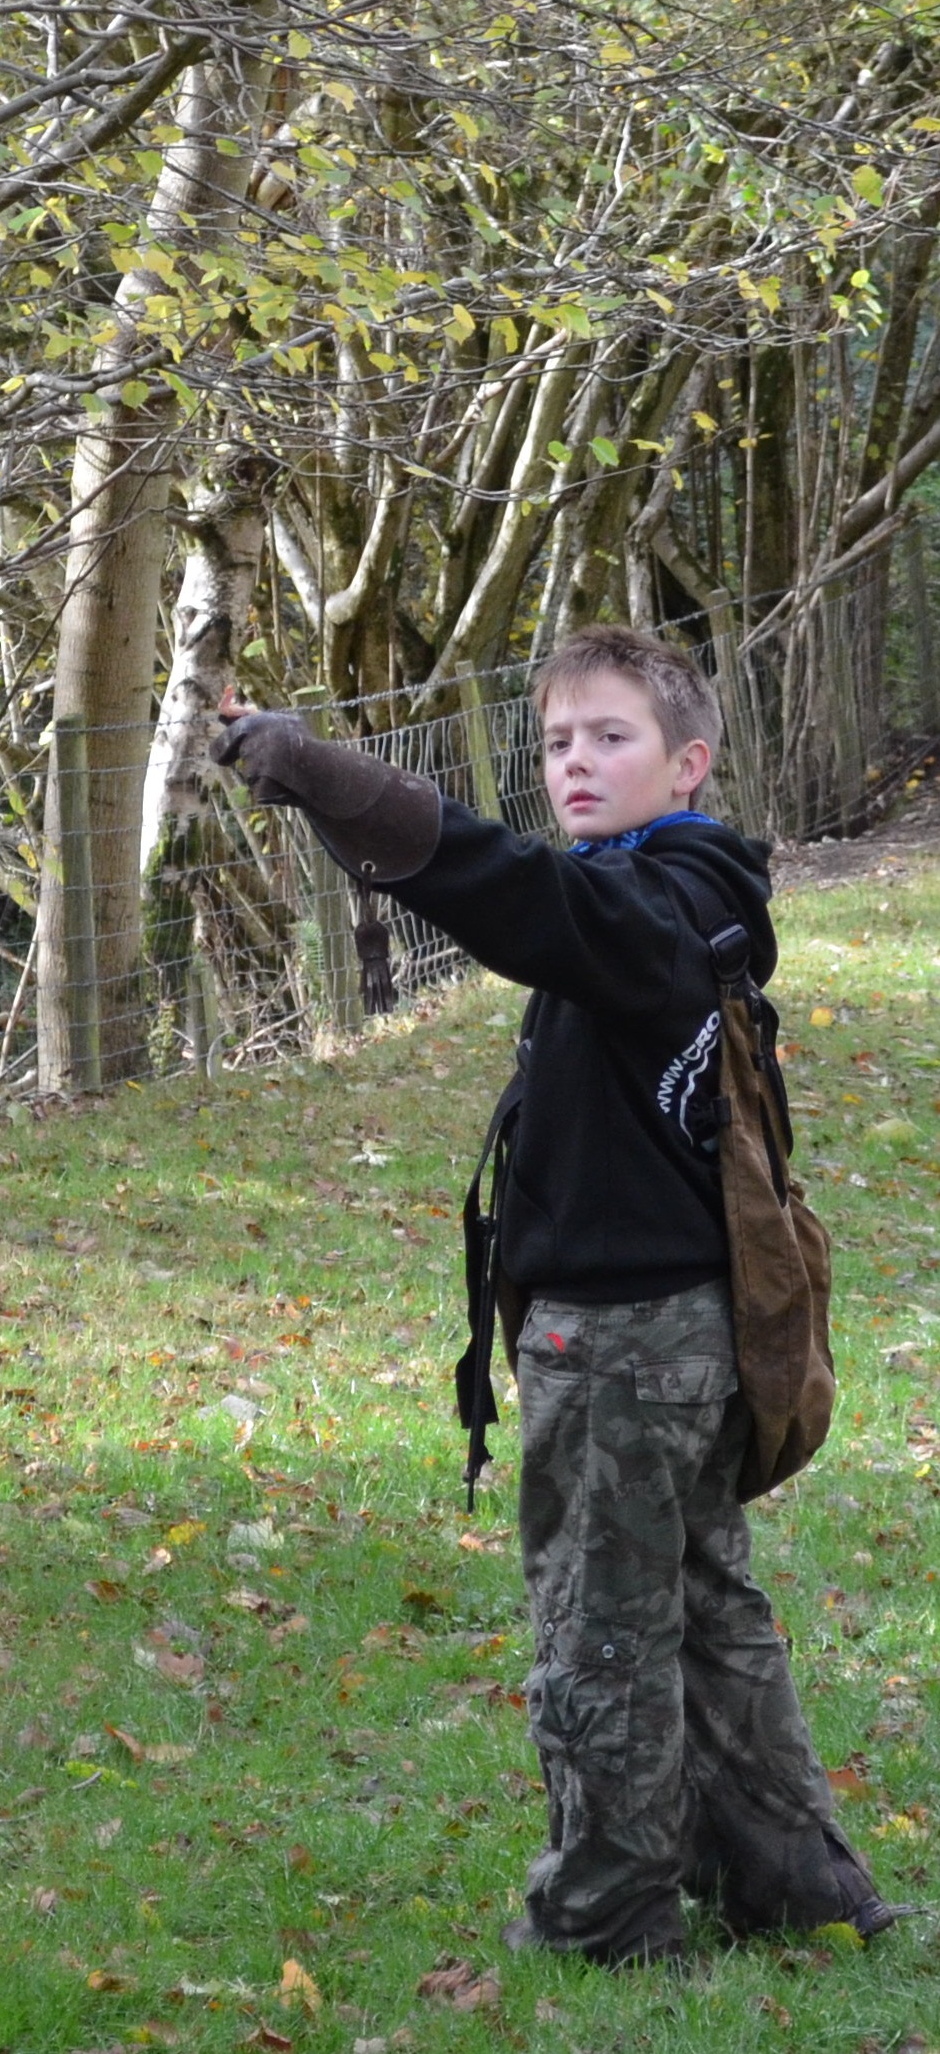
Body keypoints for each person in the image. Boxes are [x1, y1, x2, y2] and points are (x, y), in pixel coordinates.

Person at [211, 626, 892, 1966]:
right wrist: (312, 787)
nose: (573, 762)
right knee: (706, 1613)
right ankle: (793, 1882)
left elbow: (509, 889)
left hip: (628, 1343)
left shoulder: (645, 912)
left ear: (688, 765)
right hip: (681, 1334)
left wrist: (328, 770)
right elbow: (506, 895)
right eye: (557, 741)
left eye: (610, 738)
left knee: (602, 1638)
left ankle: (607, 1917)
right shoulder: (678, 895)